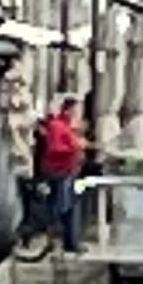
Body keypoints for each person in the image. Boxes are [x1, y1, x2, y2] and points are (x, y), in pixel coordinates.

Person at [33, 97, 85, 255]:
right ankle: (59, 239)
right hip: (59, 172)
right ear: (68, 110)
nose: (79, 114)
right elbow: (55, 149)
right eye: (77, 110)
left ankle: (70, 242)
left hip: (67, 171)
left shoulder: (67, 127)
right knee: (62, 206)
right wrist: (76, 147)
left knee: (68, 206)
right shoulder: (57, 126)